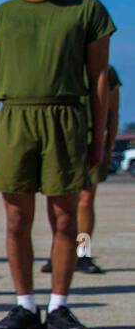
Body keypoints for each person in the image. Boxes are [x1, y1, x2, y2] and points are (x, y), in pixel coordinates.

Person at [0, 0, 115, 329]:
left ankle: (59, 306)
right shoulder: (0, 15)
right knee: (17, 218)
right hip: (15, 118)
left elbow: (100, 78)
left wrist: (100, 138)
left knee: (64, 217)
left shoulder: (86, 11)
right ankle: (24, 305)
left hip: (66, 117)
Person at [43, 65, 122, 275]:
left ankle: (83, 252)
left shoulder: (106, 71)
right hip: (62, 139)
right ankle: (57, 250)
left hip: (89, 140)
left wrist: (108, 145)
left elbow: (113, 112)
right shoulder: (60, 65)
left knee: (85, 201)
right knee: (58, 200)